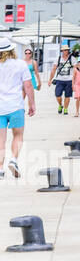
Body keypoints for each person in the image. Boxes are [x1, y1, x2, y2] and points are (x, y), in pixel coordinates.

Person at [0, 37, 35, 178]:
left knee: (1, 140)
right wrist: (32, 104)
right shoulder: (21, 64)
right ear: (11, 50)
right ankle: (14, 160)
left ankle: (0, 169)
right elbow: (28, 85)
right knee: (18, 136)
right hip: (16, 106)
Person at [48, 46, 74, 115]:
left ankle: (65, 109)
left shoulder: (72, 59)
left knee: (67, 96)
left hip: (69, 80)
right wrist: (50, 80)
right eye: (63, 50)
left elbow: (76, 70)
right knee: (57, 95)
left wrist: (75, 81)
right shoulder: (58, 59)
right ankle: (60, 105)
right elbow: (53, 69)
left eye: (66, 50)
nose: (65, 51)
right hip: (59, 80)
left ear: (68, 50)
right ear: (61, 51)